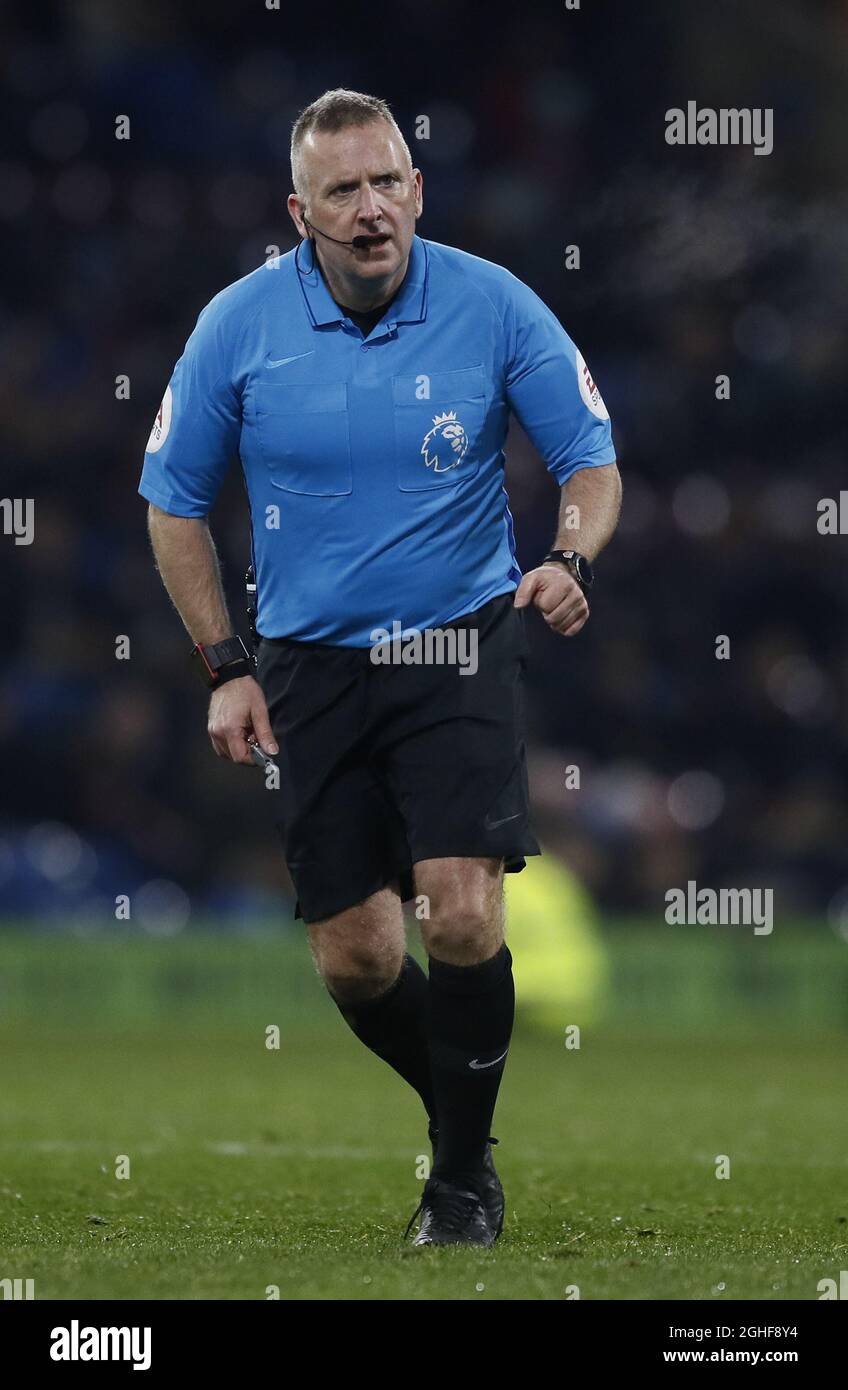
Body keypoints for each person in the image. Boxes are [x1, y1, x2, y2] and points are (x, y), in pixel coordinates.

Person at [139, 88, 622, 1247]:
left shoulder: (494, 303)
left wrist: (567, 556)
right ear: (296, 211)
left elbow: (589, 456)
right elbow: (171, 503)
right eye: (341, 191)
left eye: (385, 181)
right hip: (306, 661)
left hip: (456, 643)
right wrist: (225, 664)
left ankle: (458, 1188)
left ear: (417, 189)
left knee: (458, 915)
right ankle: (467, 1120)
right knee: (357, 958)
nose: (369, 209)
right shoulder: (236, 326)